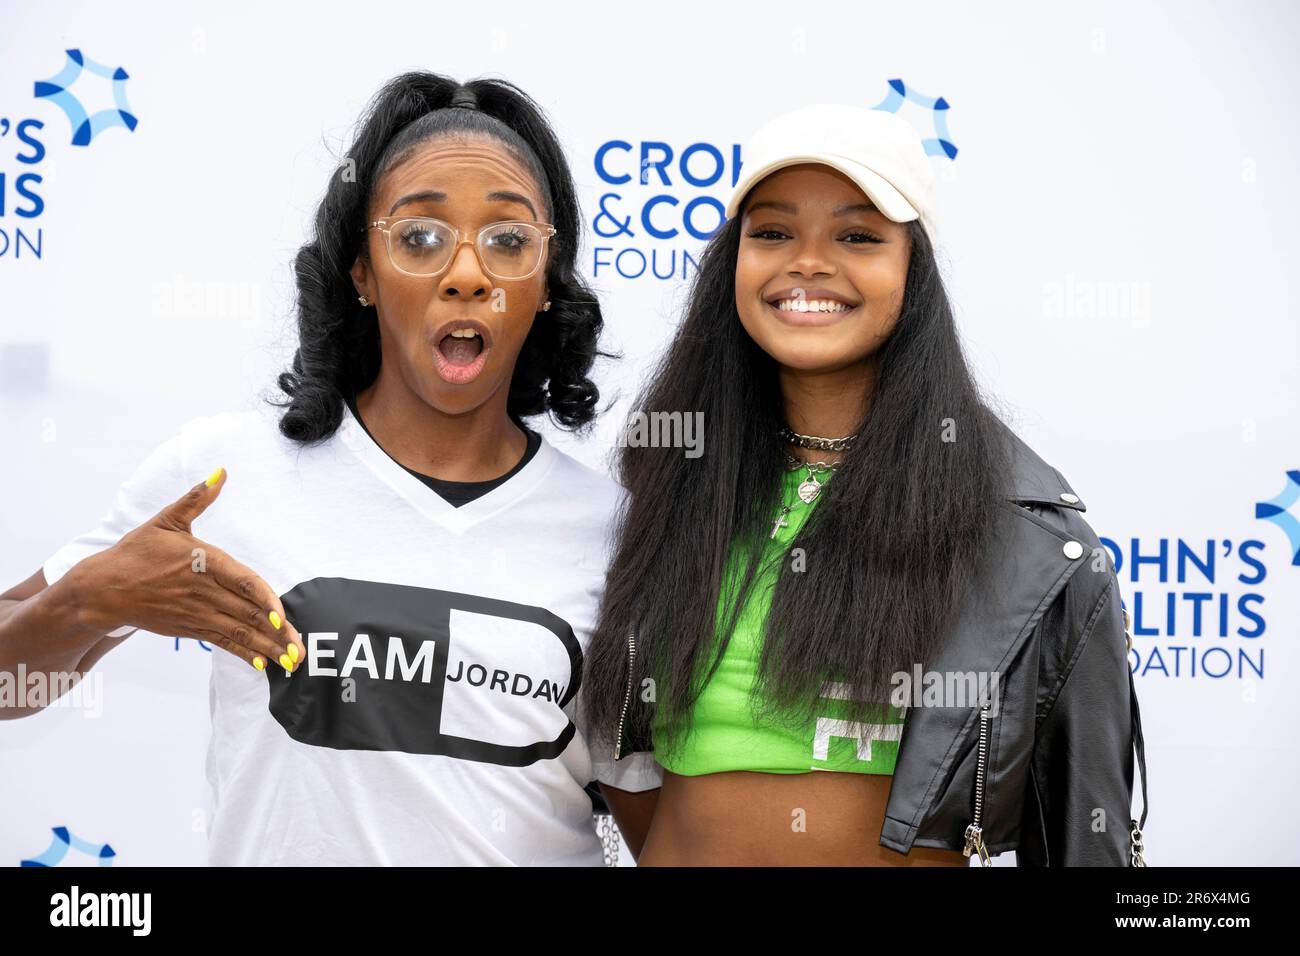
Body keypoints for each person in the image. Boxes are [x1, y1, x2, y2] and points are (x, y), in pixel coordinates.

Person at [0, 71, 661, 866]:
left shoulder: (617, 537)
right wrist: (87, 599)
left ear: (546, 283)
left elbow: (668, 836)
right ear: (361, 272)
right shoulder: (224, 476)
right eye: (418, 237)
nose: (465, 272)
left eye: (508, 240)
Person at [582, 104, 1148, 866]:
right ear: (733, 263)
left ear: (914, 272)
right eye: (773, 232)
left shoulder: (1029, 535)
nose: (808, 264)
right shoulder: (671, 488)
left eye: (857, 236)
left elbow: (1084, 834)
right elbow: (631, 775)